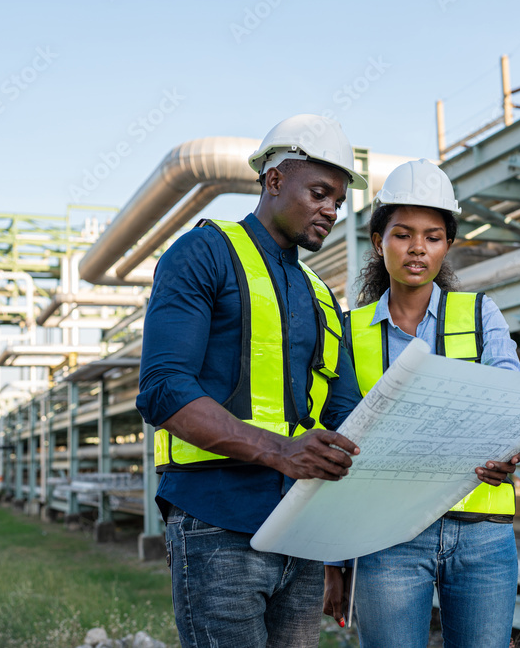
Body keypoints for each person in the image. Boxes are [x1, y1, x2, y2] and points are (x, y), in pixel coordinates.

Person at [136, 114, 367, 648]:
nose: (331, 209)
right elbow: (164, 388)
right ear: (275, 179)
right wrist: (282, 451)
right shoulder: (203, 253)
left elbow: (347, 419)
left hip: (300, 532)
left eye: (338, 200)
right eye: (319, 192)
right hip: (217, 524)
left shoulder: (320, 295)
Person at [323, 159, 520, 648]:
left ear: (447, 246)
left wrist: (511, 449)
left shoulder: (480, 315)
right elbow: (335, 443)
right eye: (402, 234)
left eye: (433, 237)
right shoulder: (348, 332)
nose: (418, 248)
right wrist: (334, 559)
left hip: (482, 533)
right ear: (378, 242)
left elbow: (513, 404)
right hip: (386, 536)